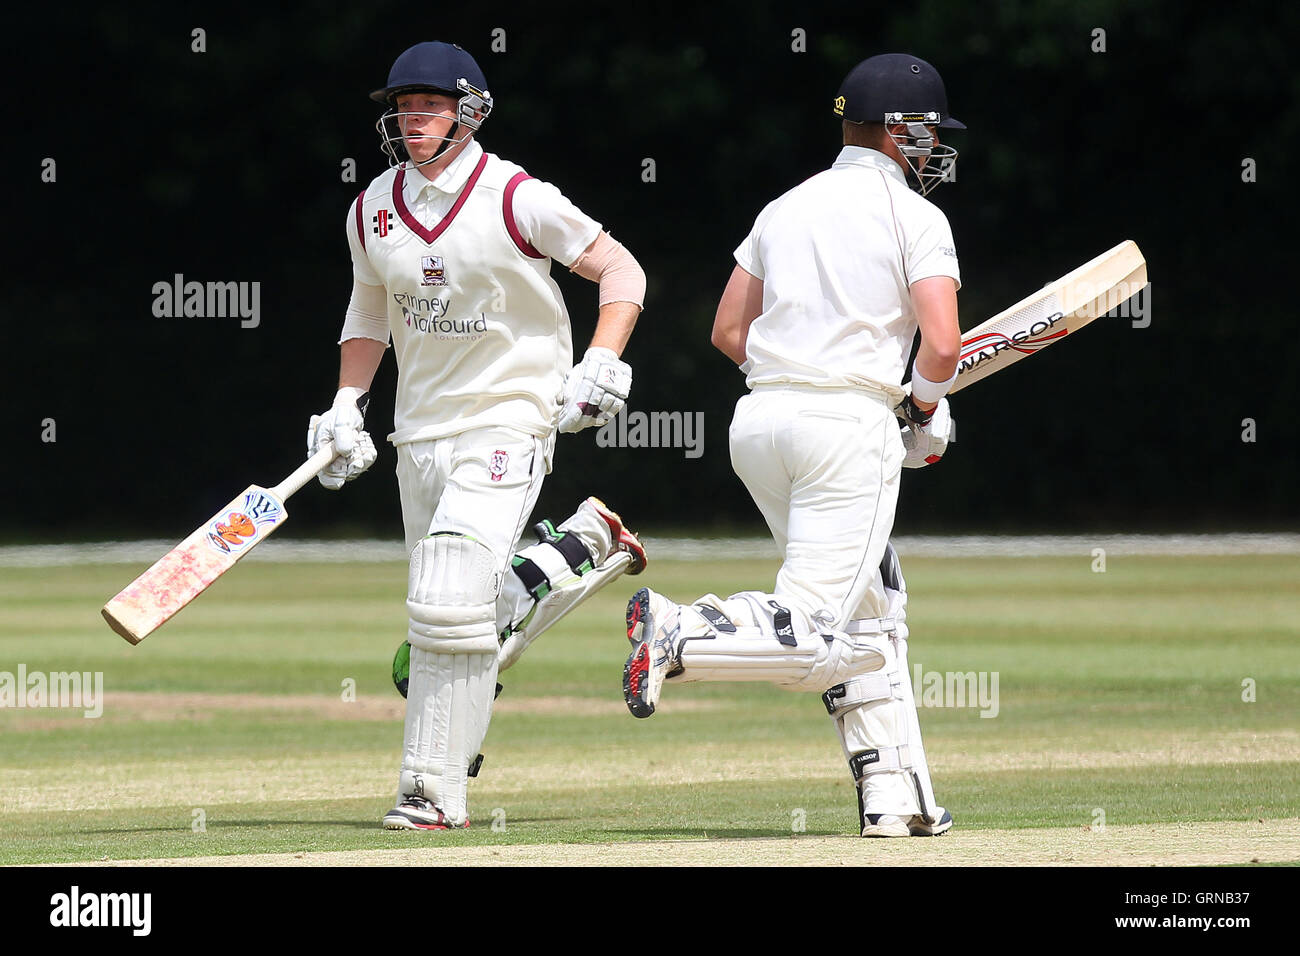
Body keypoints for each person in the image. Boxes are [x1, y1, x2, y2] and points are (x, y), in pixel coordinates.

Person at [619, 53, 962, 838]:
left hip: (761, 424)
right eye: (930, 131)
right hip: (847, 429)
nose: (936, 147)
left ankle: (896, 801)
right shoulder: (917, 217)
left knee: (872, 612)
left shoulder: (784, 206)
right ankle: (685, 630)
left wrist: (804, 378)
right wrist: (923, 409)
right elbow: (940, 345)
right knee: (817, 623)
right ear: (901, 131)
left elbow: (728, 331)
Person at [307, 41, 648, 830]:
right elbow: (368, 315)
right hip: (417, 431)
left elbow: (622, 272)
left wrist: (600, 363)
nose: (411, 118)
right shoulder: (371, 208)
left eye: (429, 104)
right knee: (448, 612)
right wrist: (345, 403)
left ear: (471, 111)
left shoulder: (516, 196)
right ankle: (572, 549)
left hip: (510, 412)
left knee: (451, 589)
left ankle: (429, 791)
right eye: (402, 106)